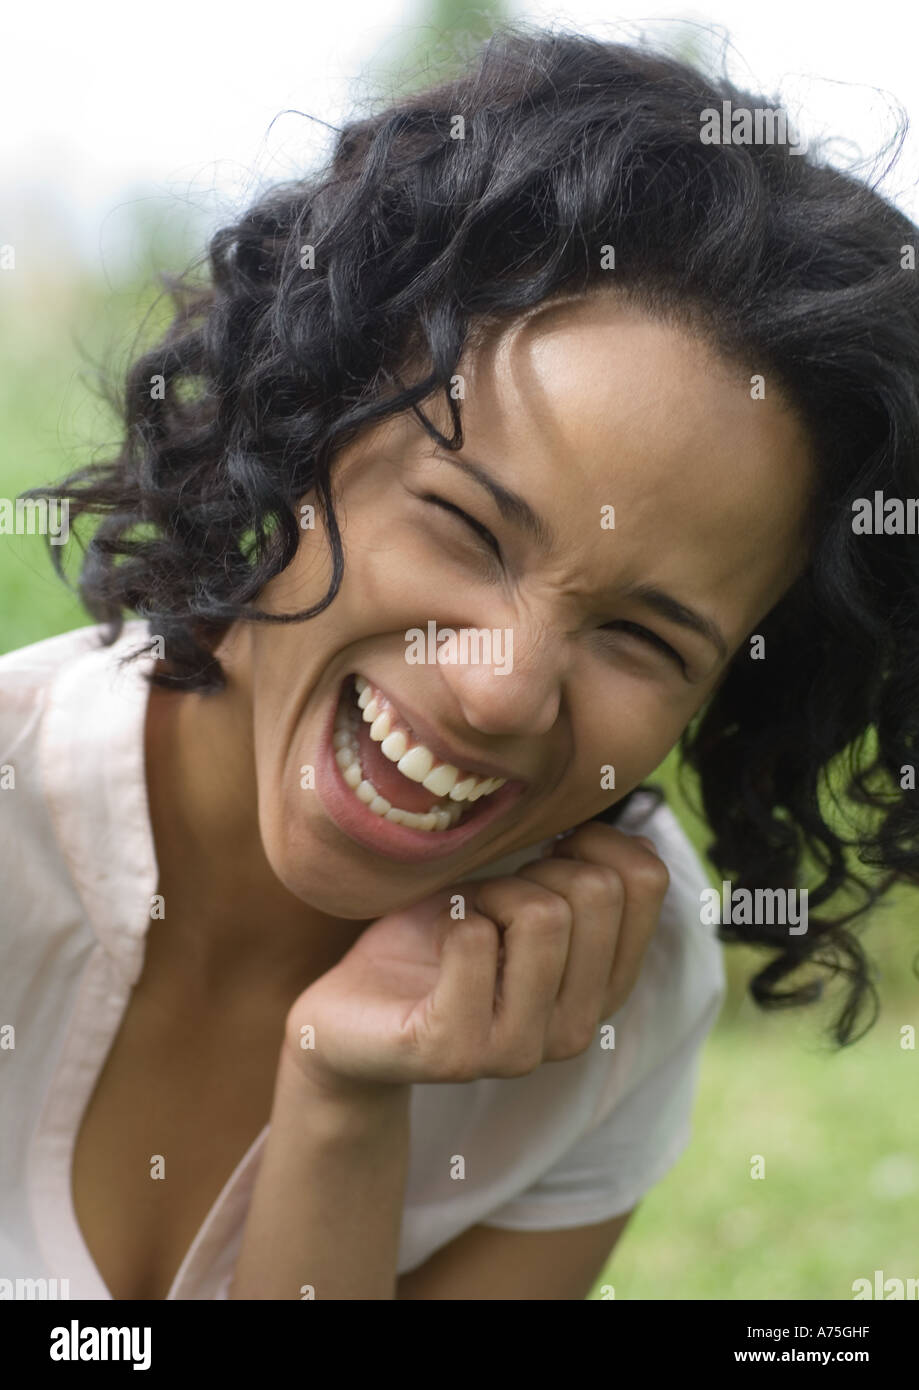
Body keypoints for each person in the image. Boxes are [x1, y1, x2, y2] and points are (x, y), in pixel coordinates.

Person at [2, 27, 918, 1302]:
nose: (499, 687)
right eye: (467, 524)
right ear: (300, 425)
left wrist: (345, 1098)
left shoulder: (614, 1000)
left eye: (645, 638)